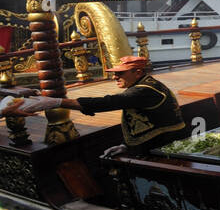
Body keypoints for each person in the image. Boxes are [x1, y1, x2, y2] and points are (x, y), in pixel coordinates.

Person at [14, 55, 186, 155]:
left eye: (120, 73)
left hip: (164, 145)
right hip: (157, 141)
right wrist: (126, 146)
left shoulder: (144, 91)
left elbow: (107, 102)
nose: (115, 77)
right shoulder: (146, 84)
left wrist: (55, 102)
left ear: (138, 72)